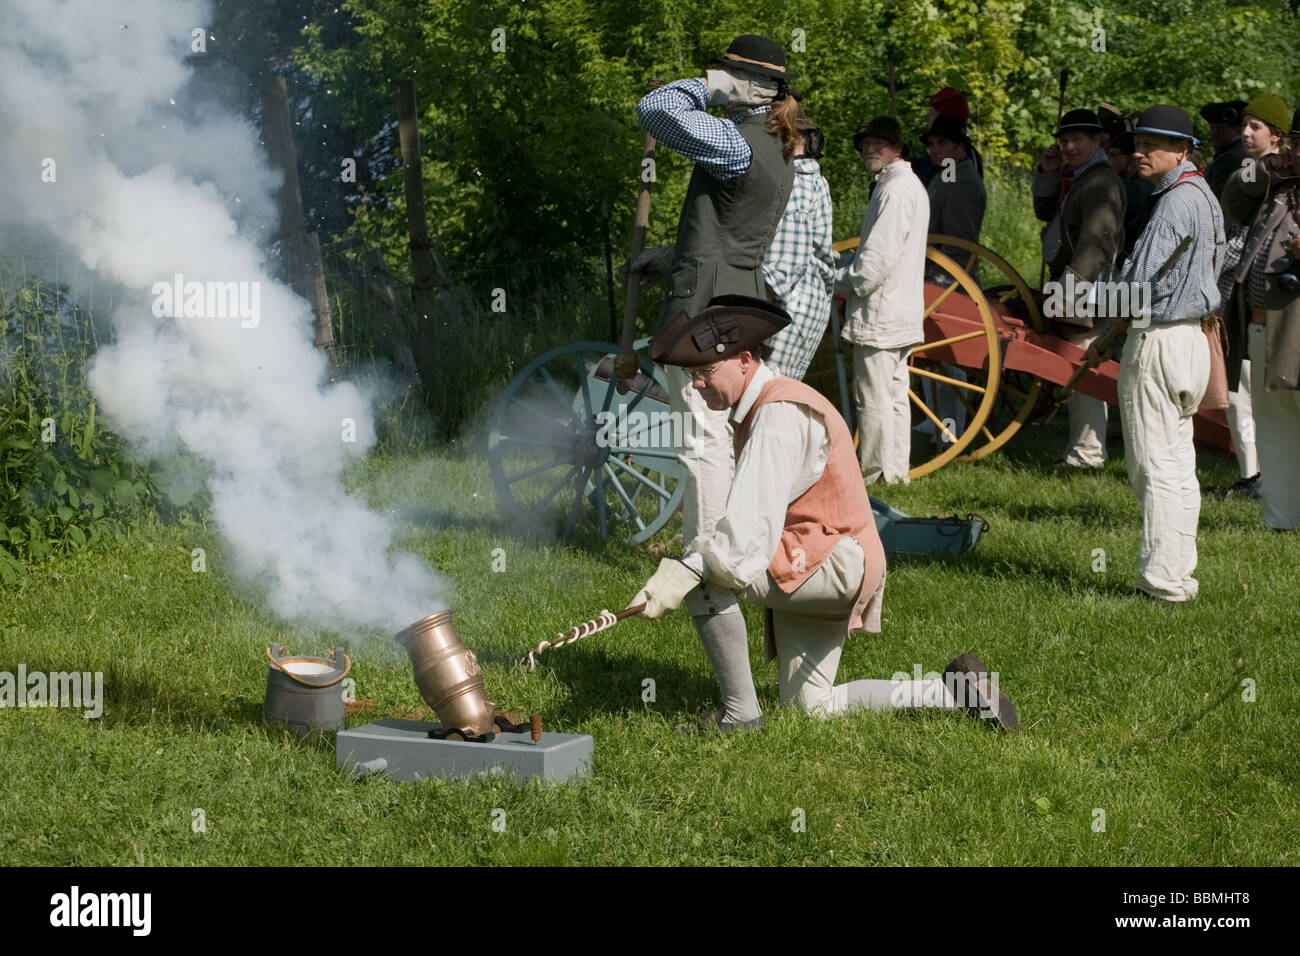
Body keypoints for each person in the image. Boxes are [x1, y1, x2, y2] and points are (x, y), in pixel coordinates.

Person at [629, 294, 1019, 732]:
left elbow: (745, 539)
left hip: (831, 563)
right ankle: (953, 692)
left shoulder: (776, 419)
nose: (698, 385)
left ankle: (739, 715)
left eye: (705, 372)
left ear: (742, 360)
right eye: (694, 375)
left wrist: (688, 569)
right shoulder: (768, 407)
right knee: (810, 707)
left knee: (707, 578)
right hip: (825, 557)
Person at [631, 34, 799, 693]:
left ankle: (708, 565)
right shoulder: (774, 146)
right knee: (725, 441)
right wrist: (668, 258)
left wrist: (709, 86)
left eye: (731, 77)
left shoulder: (738, 140)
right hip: (736, 300)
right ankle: (728, 557)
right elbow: (729, 236)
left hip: (705, 312)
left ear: (748, 89)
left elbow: (656, 108)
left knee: (702, 444)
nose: (718, 83)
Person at [1096, 105, 1225, 602]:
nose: (1140, 151)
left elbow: (1136, 288)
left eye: (1153, 144)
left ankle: (1161, 581)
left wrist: (1087, 299)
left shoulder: (1174, 204)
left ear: (1183, 151)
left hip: (1161, 339)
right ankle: (1177, 575)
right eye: (1139, 141)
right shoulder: (1203, 196)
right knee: (1177, 465)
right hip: (1190, 338)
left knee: (1153, 468)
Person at [1220, 94, 1300, 530]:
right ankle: (1282, 519)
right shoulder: (1276, 180)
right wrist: (1271, 164)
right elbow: (1234, 195)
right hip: (1259, 327)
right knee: (1274, 432)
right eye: (1299, 145)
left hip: (1295, 330)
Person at [1032, 108, 1126, 470]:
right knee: (1076, 369)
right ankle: (1082, 449)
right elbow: (1046, 212)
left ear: (1096, 141)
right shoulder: (1080, 175)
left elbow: (1096, 245)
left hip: (1088, 290)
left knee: (1085, 369)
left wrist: (1068, 293)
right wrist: (1049, 172)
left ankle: (1088, 454)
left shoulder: (1101, 182)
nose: (1069, 146)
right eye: (1064, 140)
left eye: (1077, 140)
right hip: (1074, 286)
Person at [838, 116, 930, 483]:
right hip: (901, 310)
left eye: (878, 144)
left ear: (897, 149)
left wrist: (836, 278)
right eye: (866, 143)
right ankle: (894, 474)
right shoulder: (905, 185)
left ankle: (875, 476)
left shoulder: (894, 190)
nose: (869, 149)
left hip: (882, 312)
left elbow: (871, 268)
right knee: (893, 396)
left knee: (873, 398)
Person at [1209, 97, 1276, 498]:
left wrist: (1214, 261)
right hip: (1234, 294)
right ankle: (1253, 474)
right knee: (1238, 392)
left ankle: (1266, 475)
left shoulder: (1276, 176)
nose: (1246, 133)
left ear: (1276, 135)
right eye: (1244, 126)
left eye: (1256, 127)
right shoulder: (1248, 168)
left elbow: (1241, 240)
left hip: (1258, 294)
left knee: (1259, 391)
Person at [919, 112, 986, 443]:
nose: (934, 149)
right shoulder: (946, 175)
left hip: (948, 283)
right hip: (933, 275)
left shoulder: (962, 182)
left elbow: (960, 244)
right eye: (931, 144)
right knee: (931, 357)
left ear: (961, 147)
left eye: (941, 143)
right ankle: (934, 421)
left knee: (948, 361)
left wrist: (937, 284)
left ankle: (949, 427)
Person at [760, 111, 835, 381]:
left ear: (793, 137)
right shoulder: (810, 178)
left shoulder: (797, 182)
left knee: (766, 399)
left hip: (789, 308)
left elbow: (783, 269)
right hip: (802, 304)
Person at [911, 87, 984, 186]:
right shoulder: (960, 153)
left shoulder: (953, 159)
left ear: (943, 119)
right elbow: (925, 166)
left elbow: (943, 190)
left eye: (931, 114)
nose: (927, 120)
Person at [1201, 100, 1248, 198]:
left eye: (1220, 129)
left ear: (1236, 129)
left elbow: (1212, 198)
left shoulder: (1230, 158)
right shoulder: (1237, 153)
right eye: (1212, 128)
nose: (1214, 133)